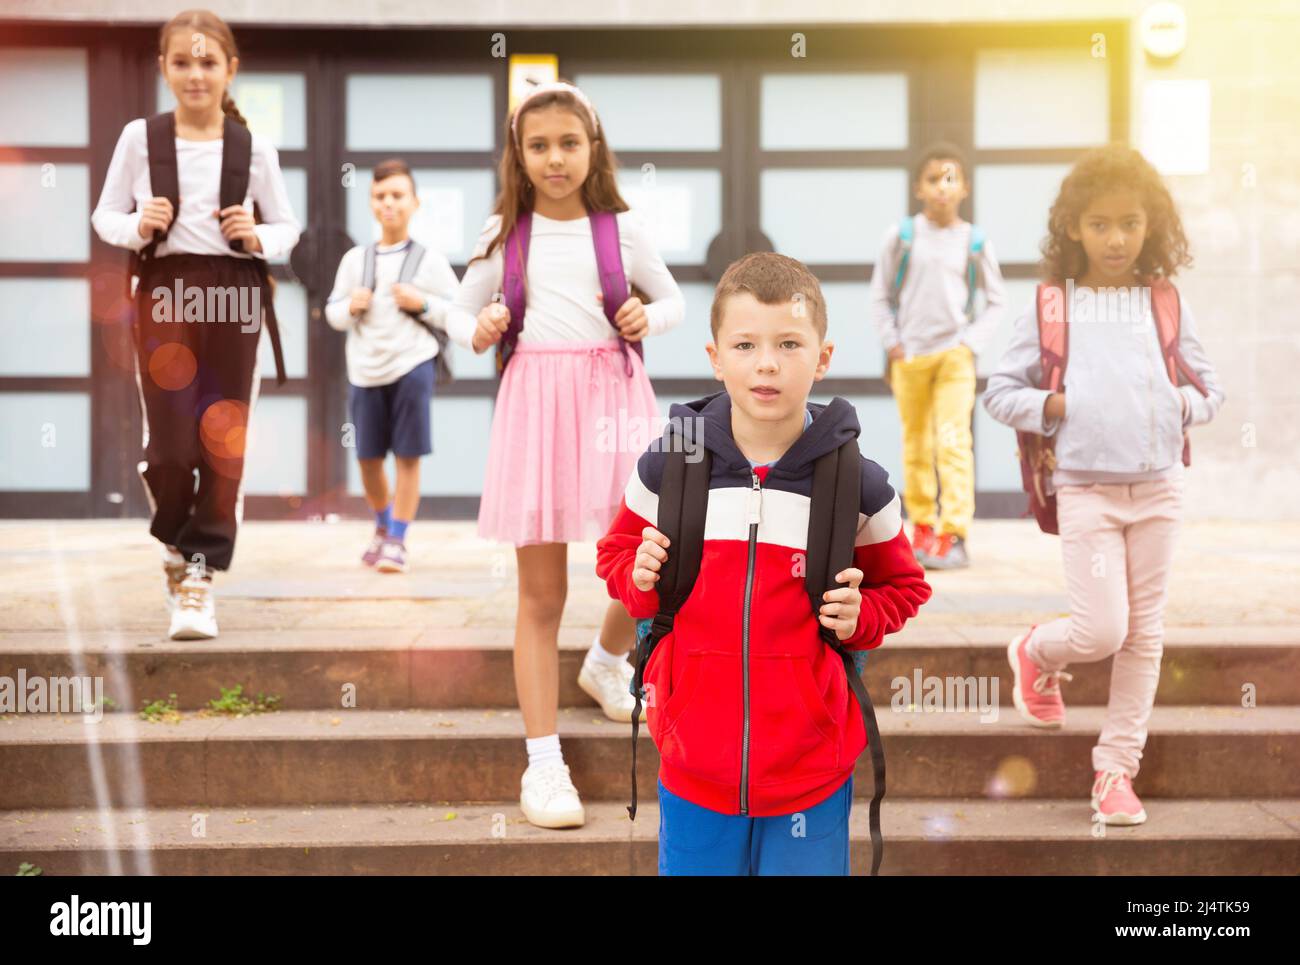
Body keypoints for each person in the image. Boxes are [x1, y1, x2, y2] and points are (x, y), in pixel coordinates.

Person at [596, 252, 932, 874]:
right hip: (694, 765)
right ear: (715, 357)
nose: (767, 363)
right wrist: (637, 579)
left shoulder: (858, 483)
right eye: (746, 344)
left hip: (811, 770)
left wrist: (863, 614)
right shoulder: (671, 463)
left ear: (823, 357)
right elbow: (615, 554)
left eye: (789, 343)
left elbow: (905, 587)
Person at [443, 80, 685, 828]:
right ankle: (543, 763)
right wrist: (475, 326)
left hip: (614, 398)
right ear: (518, 153)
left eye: (569, 143)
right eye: (539, 145)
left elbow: (673, 299)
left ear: (593, 148)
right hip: (536, 404)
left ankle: (608, 660)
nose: (555, 158)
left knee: (650, 549)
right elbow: (458, 308)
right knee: (541, 595)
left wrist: (652, 311)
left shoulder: (622, 227)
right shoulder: (501, 232)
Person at [983, 143, 1224, 826]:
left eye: (1130, 223)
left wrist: (1183, 406)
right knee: (1100, 628)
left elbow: (1211, 389)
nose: (1115, 239)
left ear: (1152, 226)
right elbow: (1001, 391)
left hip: (1160, 488)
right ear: (1073, 228)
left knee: (1144, 635)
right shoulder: (1053, 305)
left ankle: (1115, 771)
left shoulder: (1165, 302)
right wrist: (1049, 408)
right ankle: (1035, 650)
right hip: (1086, 487)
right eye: (1099, 224)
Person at [91, 8, 300, 640]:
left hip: (235, 295)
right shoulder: (140, 139)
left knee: (222, 439)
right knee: (173, 444)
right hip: (165, 294)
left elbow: (289, 230)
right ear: (164, 68)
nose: (196, 74)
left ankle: (196, 576)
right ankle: (177, 541)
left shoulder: (253, 148)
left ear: (230, 69)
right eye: (182, 62)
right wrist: (140, 224)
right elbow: (105, 216)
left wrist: (256, 234)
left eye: (209, 62)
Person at [869, 143, 1006, 569]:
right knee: (917, 444)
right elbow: (880, 293)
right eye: (933, 179)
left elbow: (997, 300)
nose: (942, 187)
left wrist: (970, 344)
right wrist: (894, 343)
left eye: (951, 178)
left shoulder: (975, 241)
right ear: (919, 187)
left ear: (964, 186)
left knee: (952, 442)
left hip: (954, 358)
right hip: (910, 357)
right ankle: (923, 526)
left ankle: (956, 533)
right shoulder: (903, 236)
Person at [324, 159, 459, 573]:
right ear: (370, 203)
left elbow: (458, 312)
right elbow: (332, 311)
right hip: (364, 370)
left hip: (412, 366)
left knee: (408, 456)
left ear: (414, 202)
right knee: (366, 460)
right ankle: (383, 526)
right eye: (380, 196)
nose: (389, 203)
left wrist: (422, 304)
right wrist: (351, 306)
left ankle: (398, 539)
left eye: (397, 195)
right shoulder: (354, 260)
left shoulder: (430, 260)